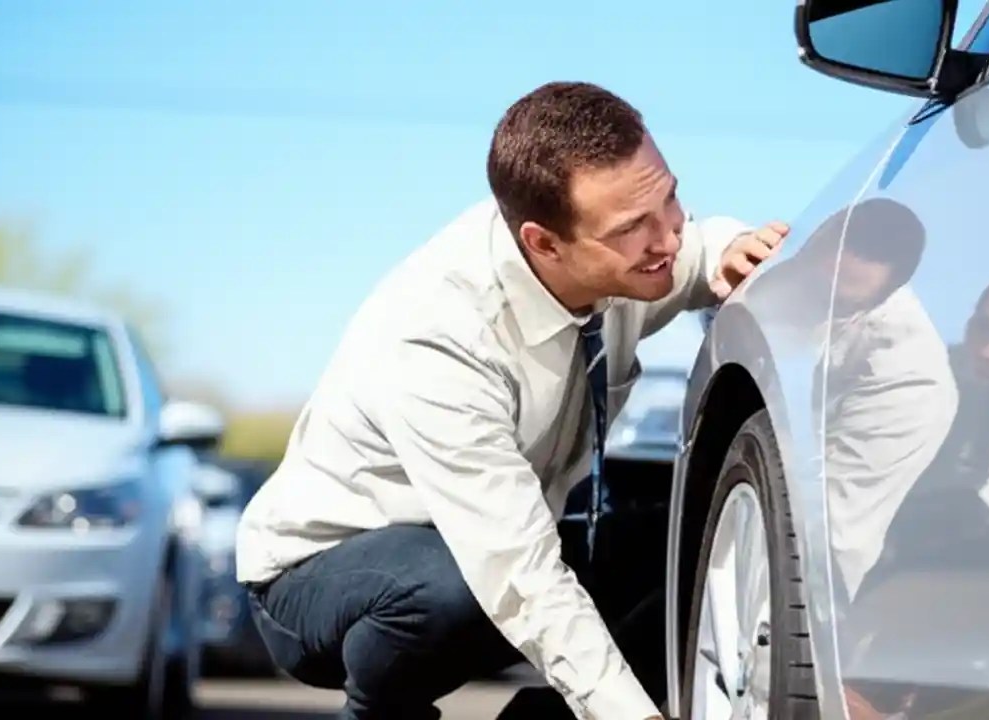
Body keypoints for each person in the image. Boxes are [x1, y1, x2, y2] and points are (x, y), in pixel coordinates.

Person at [233, 80, 788, 719]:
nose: (667, 237)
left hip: (494, 541)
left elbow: (697, 253)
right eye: (634, 228)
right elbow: (518, 574)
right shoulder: (441, 335)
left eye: (670, 199)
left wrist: (729, 247)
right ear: (544, 243)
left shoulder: (630, 256)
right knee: (454, 584)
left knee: (683, 530)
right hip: (319, 577)